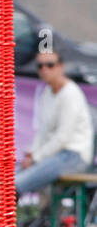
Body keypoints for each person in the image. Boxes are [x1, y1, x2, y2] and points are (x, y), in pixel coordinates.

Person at [15, 50, 94, 197]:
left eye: (50, 65)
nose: (44, 69)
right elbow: (43, 131)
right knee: (8, 179)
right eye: (40, 66)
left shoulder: (71, 93)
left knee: (16, 184)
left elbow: (63, 137)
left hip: (74, 156)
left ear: (60, 67)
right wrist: (33, 153)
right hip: (55, 156)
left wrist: (35, 158)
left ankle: (4, 219)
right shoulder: (47, 93)